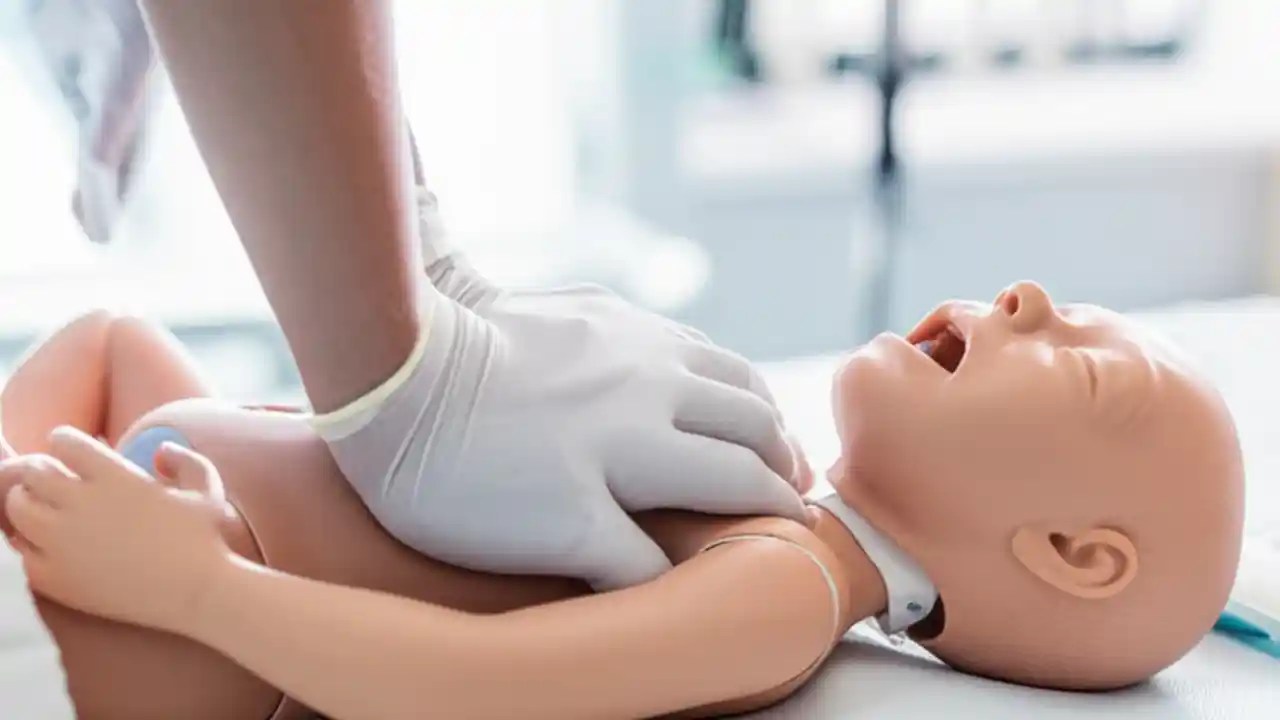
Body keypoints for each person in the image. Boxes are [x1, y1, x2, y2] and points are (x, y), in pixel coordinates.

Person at [1, 280, 1244, 718]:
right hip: (191, 467)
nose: (1023, 297)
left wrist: (199, 587)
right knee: (115, 336)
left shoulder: (781, 591)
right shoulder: (767, 479)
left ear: (1073, 554)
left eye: (1080, 368)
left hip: (190, 617)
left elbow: (461, 686)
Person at [126, 0, 808, 592]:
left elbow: (468, 676)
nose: (920, 335)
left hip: (110, 535)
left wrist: (214, 598)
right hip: (136, 495)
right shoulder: (770, 563)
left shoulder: (787, 584)